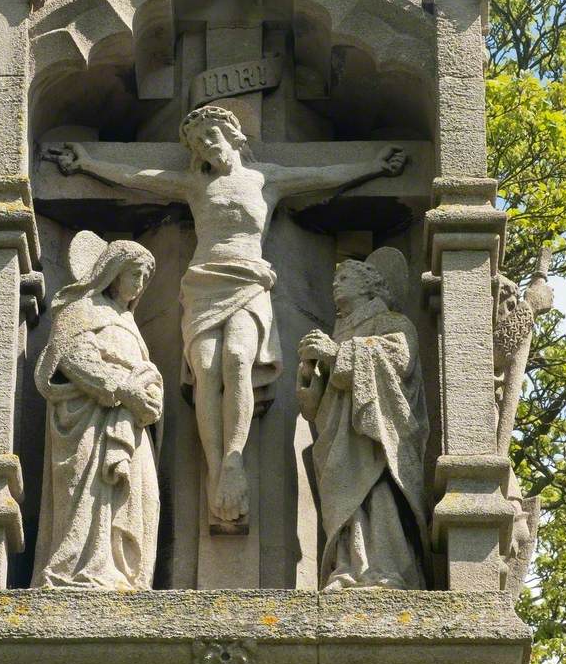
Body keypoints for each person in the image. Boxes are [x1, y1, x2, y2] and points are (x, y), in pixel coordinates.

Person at [44, 107, 406, 527]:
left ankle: (234, 461)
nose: (206, 147)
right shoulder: (197, 185)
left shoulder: (264, 178)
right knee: (206, 370)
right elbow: (140, 177)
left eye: (211, 136)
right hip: (202, 283)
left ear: (234, 136)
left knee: (237, 359)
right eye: (198, 143)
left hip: (248, 280)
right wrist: (87, 163)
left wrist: (373, 166)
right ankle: (217, 471)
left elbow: (324, 174)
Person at [31, 231, 162, 591]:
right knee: (91, 496)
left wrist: (149, 393)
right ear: (113, 271)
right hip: (88, 422)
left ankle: (123, 574)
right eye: (135, 274)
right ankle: (82, 571)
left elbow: (142, 371)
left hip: (128, 425)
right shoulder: (80, 310)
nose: (139, 285)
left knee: (142, 496)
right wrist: (123, 388)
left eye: (145, 279)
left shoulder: (130, 323)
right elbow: (71, 357)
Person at [297, 248, 429, 591]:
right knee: (345, 501)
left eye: (344, 278)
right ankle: (347, 567)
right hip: (338, 432)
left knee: (377, 491)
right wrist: (310, 375)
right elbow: (316, 404)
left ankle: (385, 569)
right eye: (334, 279)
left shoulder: (393, 323)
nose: (335, 285)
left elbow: (399, 359)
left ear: (370, 286)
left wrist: (337, 354)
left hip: (376, 433)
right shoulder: (338, 333)